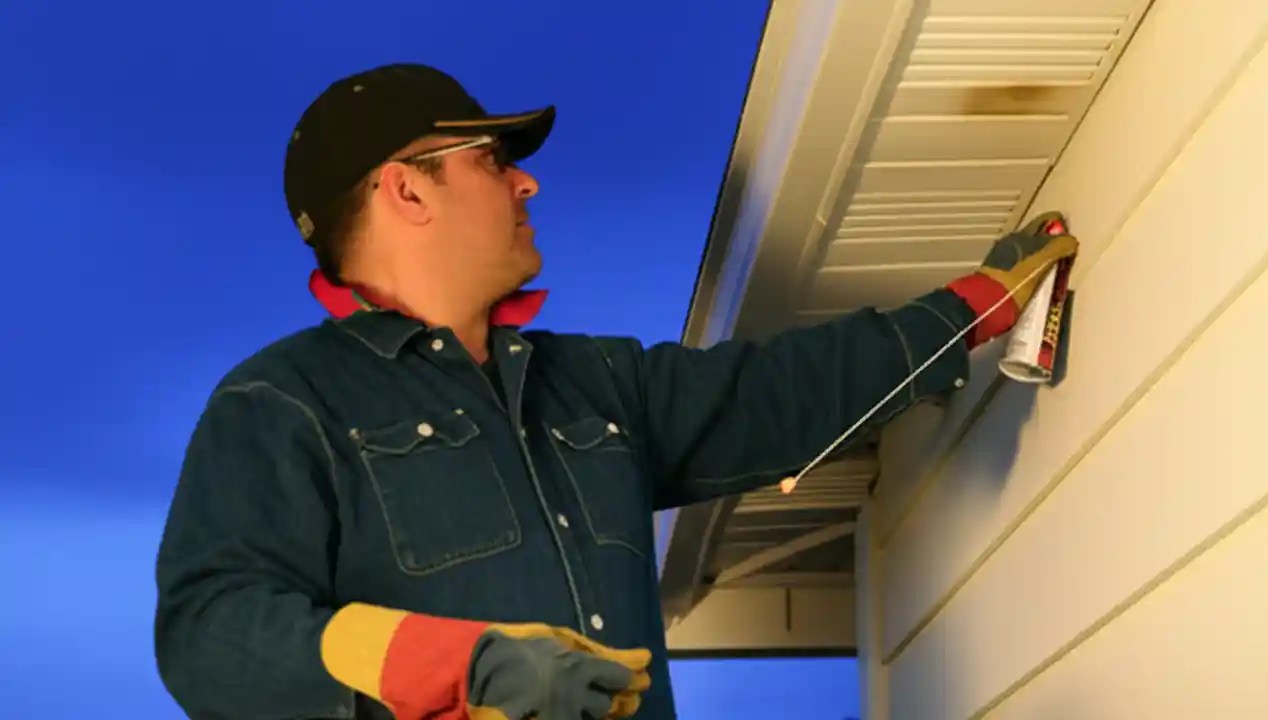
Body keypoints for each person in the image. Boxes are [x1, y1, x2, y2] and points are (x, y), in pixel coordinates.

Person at [153, 63, 1078, 720]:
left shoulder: (593, 385)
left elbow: (781, 392)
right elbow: (209, 635)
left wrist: (972, 310)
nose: (526, 179)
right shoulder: (285, 403)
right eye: (489, 158)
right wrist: (463, 668)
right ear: (406, 191)